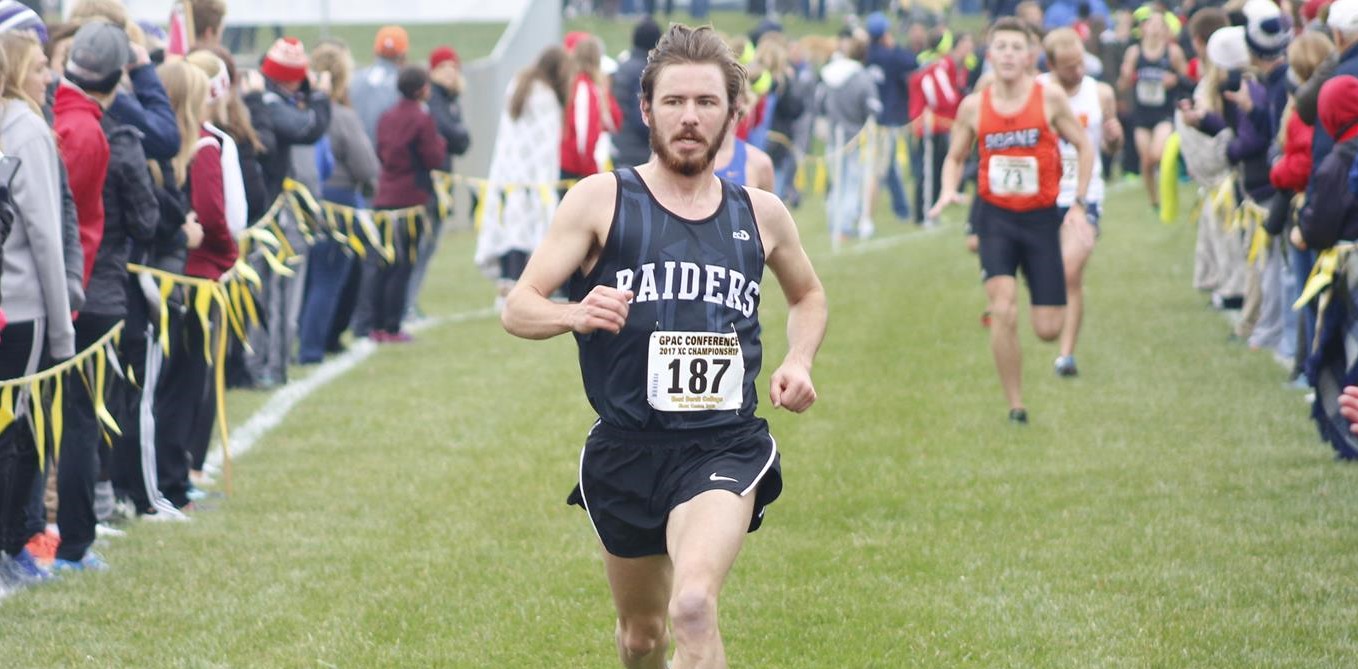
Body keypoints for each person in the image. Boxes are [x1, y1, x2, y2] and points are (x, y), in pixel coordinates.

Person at [501, 24, 827, 669]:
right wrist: (574, 312)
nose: (689, 117)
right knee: (642, 636)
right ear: (647, 109)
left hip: (723, 443)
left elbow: (808, 296)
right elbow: (519, 307)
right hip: (626, 449)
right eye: (674, 102)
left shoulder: (760, 213)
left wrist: (798, 359)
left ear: (733, 112)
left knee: (694, 607)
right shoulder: (601, 199)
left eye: (706, 102)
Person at [929, 17, 1096, 423]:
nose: (1007, 54)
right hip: (996, 219)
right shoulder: (974, 106)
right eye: (999, 46)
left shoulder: (1050, 98)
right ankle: (1016, 405)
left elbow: (1084, 145)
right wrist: (949, 187)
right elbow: (954, 156)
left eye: (1015, 47)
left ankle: (1035, 297)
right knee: (1002, 309)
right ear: (990, 54)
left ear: (1030, 56)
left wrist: (1077, 201)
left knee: (1046, 328)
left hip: (1041, 219)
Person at [0, 35, 74, 588]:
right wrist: (63, 330)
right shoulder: (26, 130)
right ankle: (5, 550)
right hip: (20, 309)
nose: (49, 78)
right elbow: (46, 236)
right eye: (41, 67)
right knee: (15, 434)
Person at [1038, 28, 1122, 378]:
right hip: (1042, 193)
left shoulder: (1100, 92)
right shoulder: (1038, 91)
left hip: (1085, 194)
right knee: (1051, 268)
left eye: (1081, 63)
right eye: (1069, 66)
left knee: (1070, 270)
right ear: (1052, 64)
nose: (1078, 71)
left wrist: (1115, 139)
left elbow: (1111, 149)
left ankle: (1066, 355)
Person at [475, 46, 574, 308]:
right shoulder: (546, 96)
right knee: (530, 229)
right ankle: (520, 289)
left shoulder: (518, 85)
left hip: (509, 172)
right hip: (533, 176)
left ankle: (506, 285)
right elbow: (545, 142)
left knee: (512, 227)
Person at [367, 65, 445, 342]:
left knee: (384, 264)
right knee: (403, 265)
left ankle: (375, 324)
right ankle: (392, 325)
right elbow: (433, 157)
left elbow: (379, 151)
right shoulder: (422, 119)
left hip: (384, 196)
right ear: (422, 89)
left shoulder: (387, 116)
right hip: (410, 199)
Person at [1117, 7, 1188, 210]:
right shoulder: (1134, 52)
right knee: (1146, 160)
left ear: (1166, 29)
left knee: (1157, 154)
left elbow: (1187, 80)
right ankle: (1154, 199)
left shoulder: (1172, 52)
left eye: (1159, 24)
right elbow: (1122, 86)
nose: (1155, 28)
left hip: (1163, 113)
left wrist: (1174, 79)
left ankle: (1168, 185)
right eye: (1151, 24)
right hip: (1141, 114)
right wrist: (1125, 76)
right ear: (1143, 28)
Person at [613, 17, 662, 168]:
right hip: (639, 152)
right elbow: (641, 117)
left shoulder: (624, 66)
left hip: (621, 145)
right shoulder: (644, 72)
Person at [351, 25, 406, 143]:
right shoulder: (403, 83)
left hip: (356, 153)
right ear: (403, 55)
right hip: (386, 154)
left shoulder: (356, 78)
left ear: (376, 51)